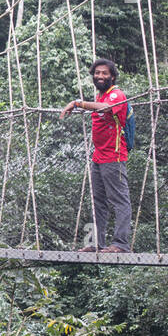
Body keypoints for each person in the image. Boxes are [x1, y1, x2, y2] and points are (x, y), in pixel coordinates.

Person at [59, 58, 132, 253]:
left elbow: (106, 109)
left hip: (114, 157)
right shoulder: (99, 97)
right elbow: (99, 107)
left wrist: (77, 103)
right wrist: (81, 104)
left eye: (104, 73)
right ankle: (95, 243)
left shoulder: (116, 95)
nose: (100, 76)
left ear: (112, 77)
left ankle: (121, 245)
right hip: (98, 157)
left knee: (119, 200)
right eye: (97, 73)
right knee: (97, 201)